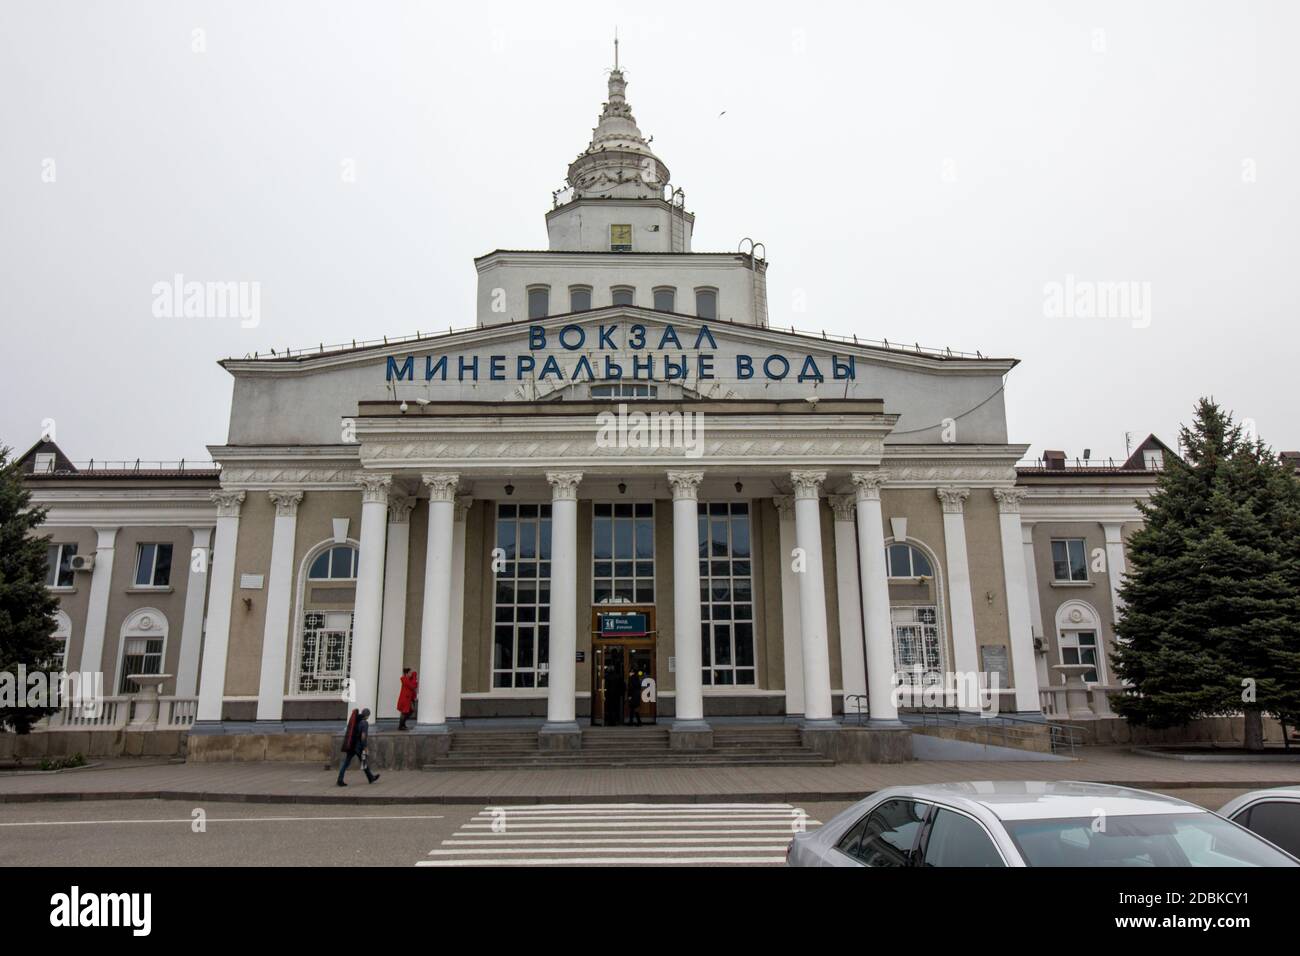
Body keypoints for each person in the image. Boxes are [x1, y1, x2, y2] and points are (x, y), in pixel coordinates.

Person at [337, 707, 380, 786]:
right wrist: (365, 747)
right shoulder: (364, 723)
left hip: (351, 744)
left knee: (349, 762)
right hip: (358, 747)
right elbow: (363, 736)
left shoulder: (356, 720)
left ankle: (370, 777)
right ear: (367, 715)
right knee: (361, 761)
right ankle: (370, 777)